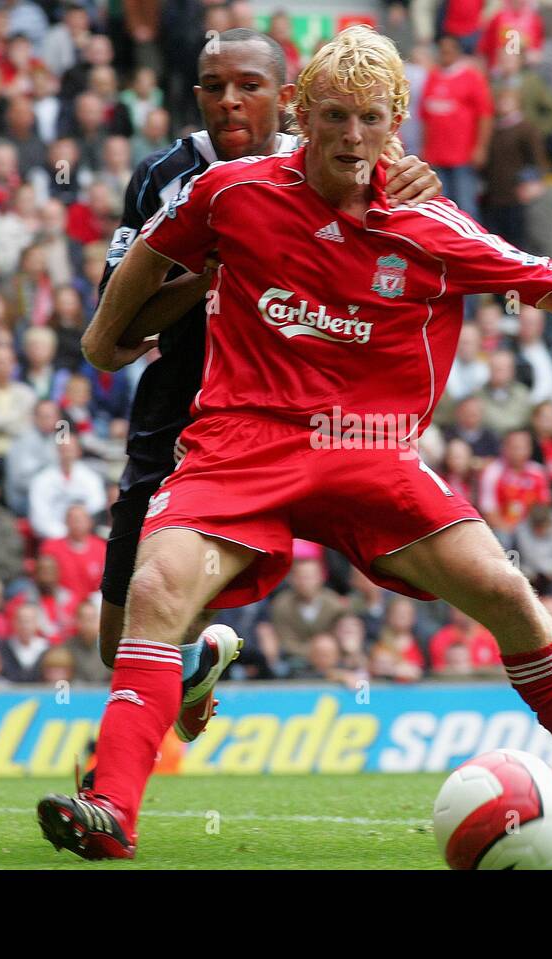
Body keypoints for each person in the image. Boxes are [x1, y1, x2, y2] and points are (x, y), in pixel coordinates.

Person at [46, 26, 552, 861]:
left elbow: (541, 275)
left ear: (396, 124)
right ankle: (112, 814)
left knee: (508, 591)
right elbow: (147, 251)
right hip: (240, 439)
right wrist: (104, 338)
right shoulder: (230, 190)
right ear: (303, 116)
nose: (351, 137)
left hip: (372, 450)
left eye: (370, 120)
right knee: (157, 587)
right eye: (334, 117)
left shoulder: (432, 221)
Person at [87, 27, 444, 755]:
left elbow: (405, 199)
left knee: (446, 563)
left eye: (248, 85)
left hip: (295, 414)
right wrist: (212, 271)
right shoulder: (165, 176)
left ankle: (112, 786)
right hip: (180, 404)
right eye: (214, 86)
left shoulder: (326, 155)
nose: (229, 100)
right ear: (194, 96)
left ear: (287, 100)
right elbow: (115, 334)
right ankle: (191, 664)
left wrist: (423, 180)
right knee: (112, 642)